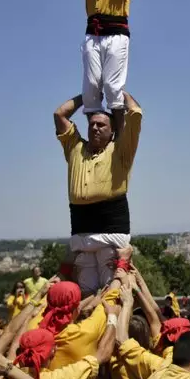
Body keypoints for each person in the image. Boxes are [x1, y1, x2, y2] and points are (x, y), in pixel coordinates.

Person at [54, 90, 143, 294]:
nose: (94, 127)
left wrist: (116, 91)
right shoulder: (75, 148)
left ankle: (113, 323)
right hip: (81, 233)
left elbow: (135, 113)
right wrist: (86, 96)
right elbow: (59, 115)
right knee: (84, 292)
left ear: (112, 132)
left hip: (111, 231)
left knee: (111, 291)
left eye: (101, 124)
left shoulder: (121, 151)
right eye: (91, 124)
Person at [69, 0, 139, 118]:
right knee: (91, 87)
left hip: (116, 35)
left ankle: (118, 139)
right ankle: (97, 137)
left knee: (112, 87)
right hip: (93, 35)